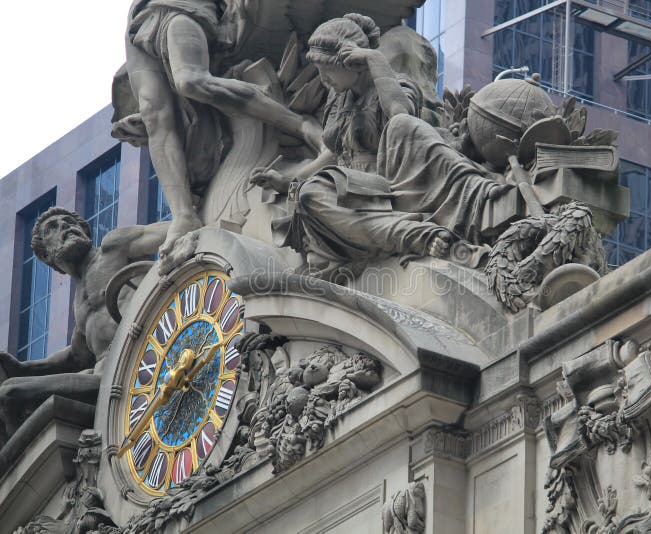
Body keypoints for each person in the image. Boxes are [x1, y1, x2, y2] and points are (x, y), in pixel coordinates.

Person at [250, 14, 515, 279]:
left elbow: (402, 118)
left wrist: (375, 61)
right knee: (310, 197)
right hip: (346, 186)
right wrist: (287, 181)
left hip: (384, 185)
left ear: (350, 61)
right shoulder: (339, 100)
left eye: (326, 70)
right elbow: (333, 154)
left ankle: (414, 234)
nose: (323, 79)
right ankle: (403, 235)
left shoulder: (394, 85)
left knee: (313, 194)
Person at [118, 0, 323, 260]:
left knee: (191, 81)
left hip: (181, 6)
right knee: (152, 113)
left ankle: (301, 124)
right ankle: (183, 215)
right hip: (140, 16)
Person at [0, 208, 169, 443]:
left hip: (138, 360)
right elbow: (77, 357)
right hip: (104, 377)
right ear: (48, 257)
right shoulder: (78, 303)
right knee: (8, 392)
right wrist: (23, 368)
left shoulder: (113, 247)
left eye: (69, 222)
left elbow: (173, 230)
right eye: (53, 228)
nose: (66, 226)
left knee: (10, 393)